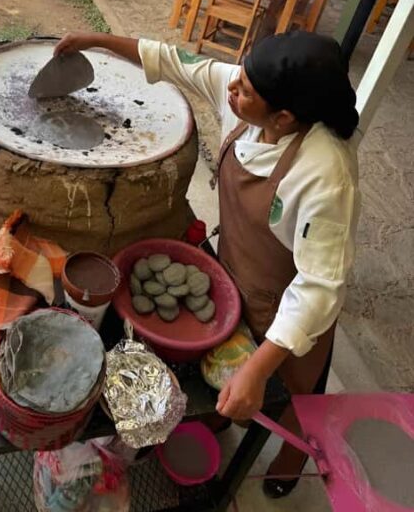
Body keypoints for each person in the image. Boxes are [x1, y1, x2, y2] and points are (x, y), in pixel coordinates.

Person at [55, 30, 360, 500]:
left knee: (291, 394)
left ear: (283, 116)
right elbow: (175, 60)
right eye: (238, 75)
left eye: (245, 91)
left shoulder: (325, 175)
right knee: (225, 381)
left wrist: (258, 369)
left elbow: (320, 287)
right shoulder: (244, 95)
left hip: (289, 305)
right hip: (235, 271)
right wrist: (92, 40)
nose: (231, 87)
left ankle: (292, 457)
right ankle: (220, 412)